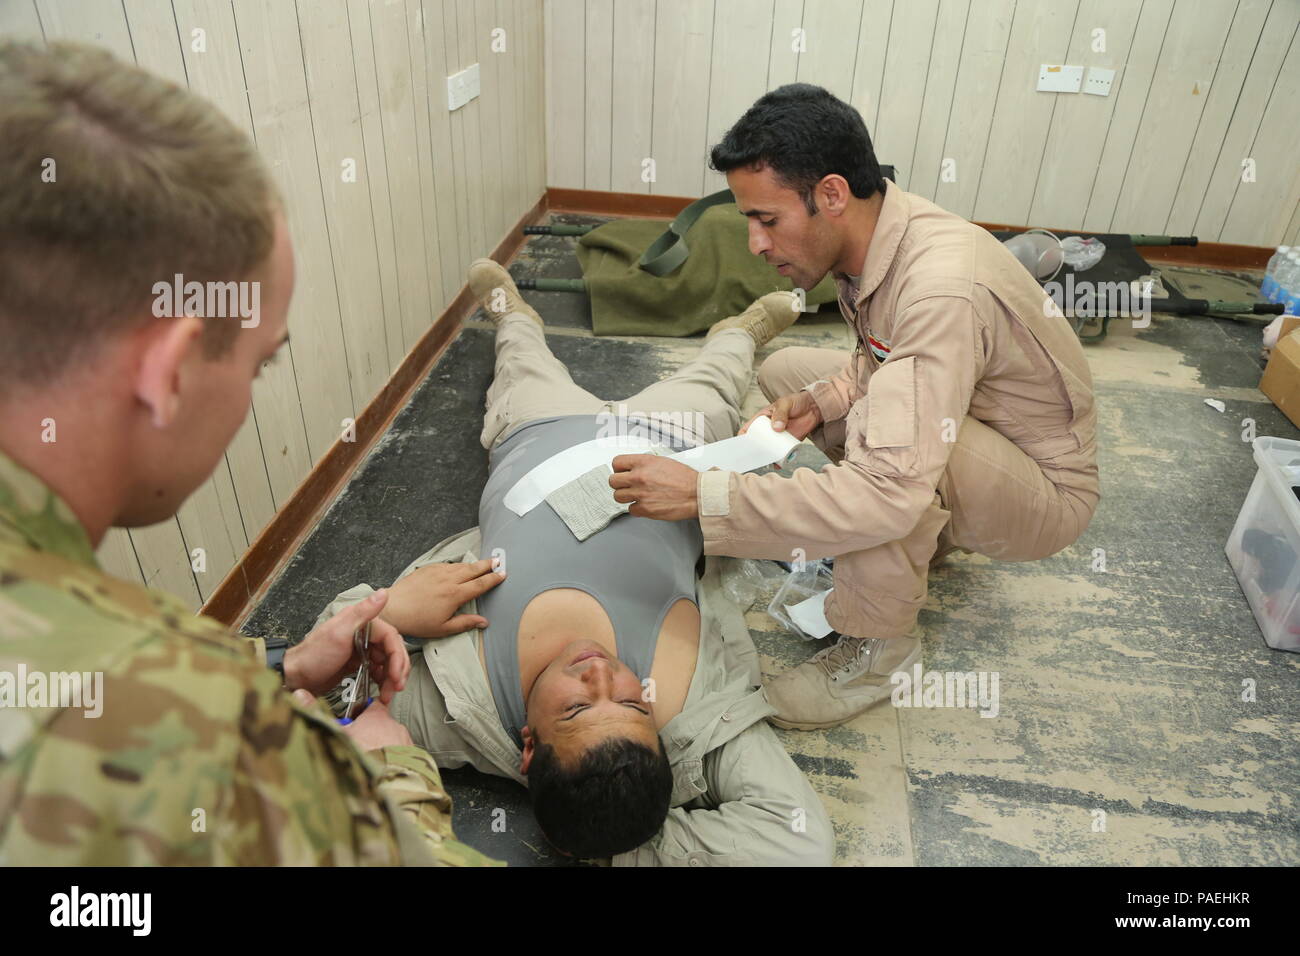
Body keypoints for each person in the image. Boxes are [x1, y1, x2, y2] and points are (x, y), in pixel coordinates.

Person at [0, 39, 502, 865]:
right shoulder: (190, 735)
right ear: (169, 372)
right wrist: (383, 771)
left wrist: (278, 666)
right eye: (260, 362)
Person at [607, 83, 1101, 730]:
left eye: (766, 220)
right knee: (790, 372)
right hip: (980, 430)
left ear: (832, 195)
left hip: (1045, 491)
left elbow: (885, 488)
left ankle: (879, 654)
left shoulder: (940, 289)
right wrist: (821, 403)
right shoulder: (878, 235)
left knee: (882, 464)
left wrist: (706, 497)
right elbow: (881, 358)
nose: (755, 243)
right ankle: (925, 535)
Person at [316, 260, 834, 866]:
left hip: (538, 433)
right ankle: (740, 331)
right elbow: (798, 843)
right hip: (674, 446)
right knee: (717, 375)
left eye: (578, 707)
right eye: (634, 704)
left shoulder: (451, 714)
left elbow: (313, 685)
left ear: (528, 748)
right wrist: (625, 838)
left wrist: (390, 612)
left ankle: (513, 311)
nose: (604, 676)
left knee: (520, 359)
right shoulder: (694, 722)